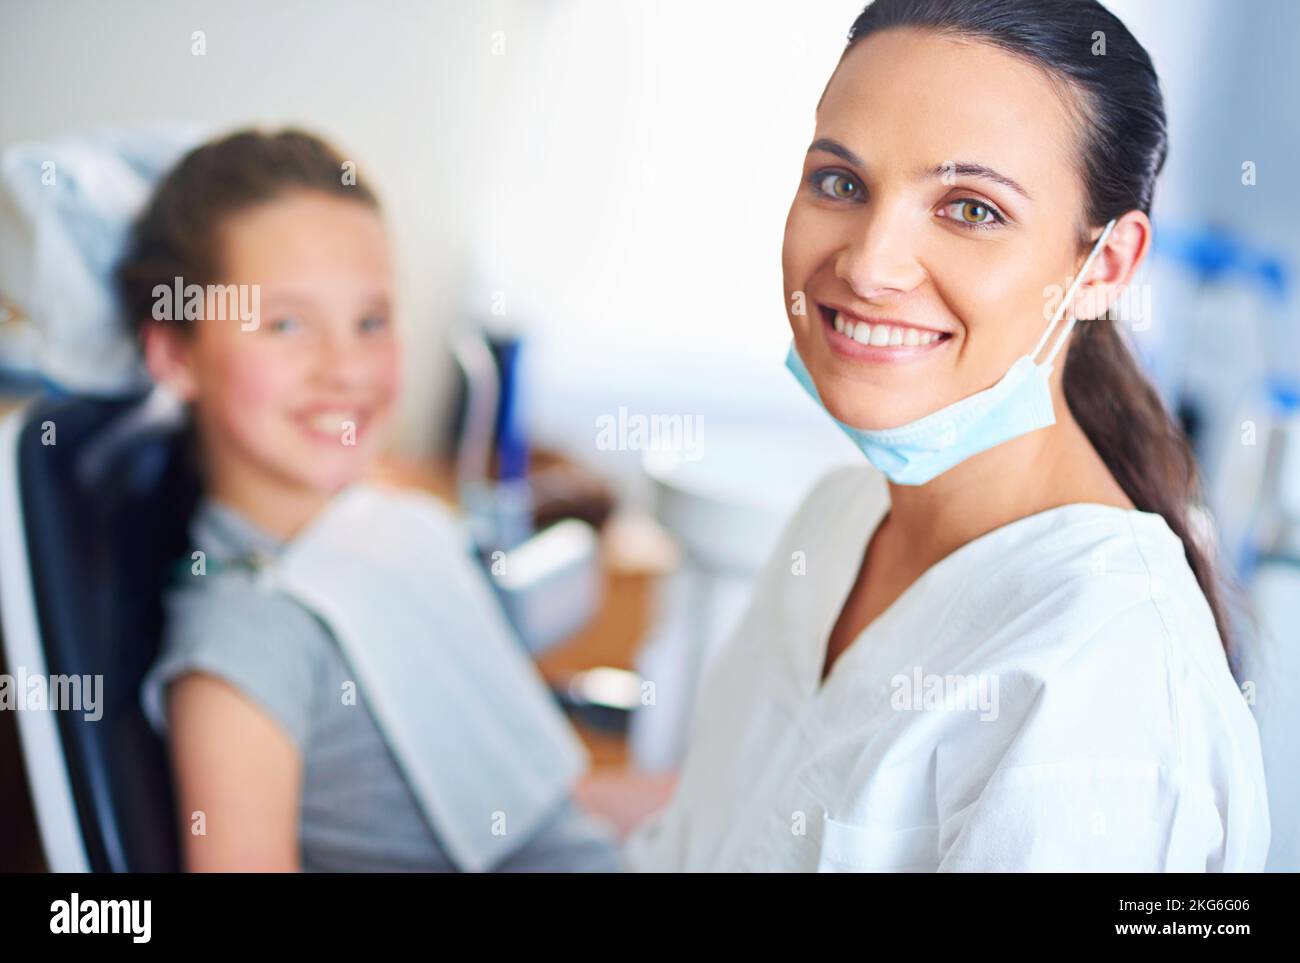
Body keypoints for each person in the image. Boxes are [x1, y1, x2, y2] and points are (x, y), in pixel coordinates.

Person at [622, 0, 1270, 872]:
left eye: (970, 209)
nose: (867, 264)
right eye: (841, 182)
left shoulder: (1104, 693)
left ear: (1104, 267)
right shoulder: (837, 517)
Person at [121, 129, 619, 872]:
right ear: (174, 354)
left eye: (372, 321)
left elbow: (543, 823)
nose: (347, 366)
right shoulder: (243, 653)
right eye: (287, 323)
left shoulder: (388, 525)